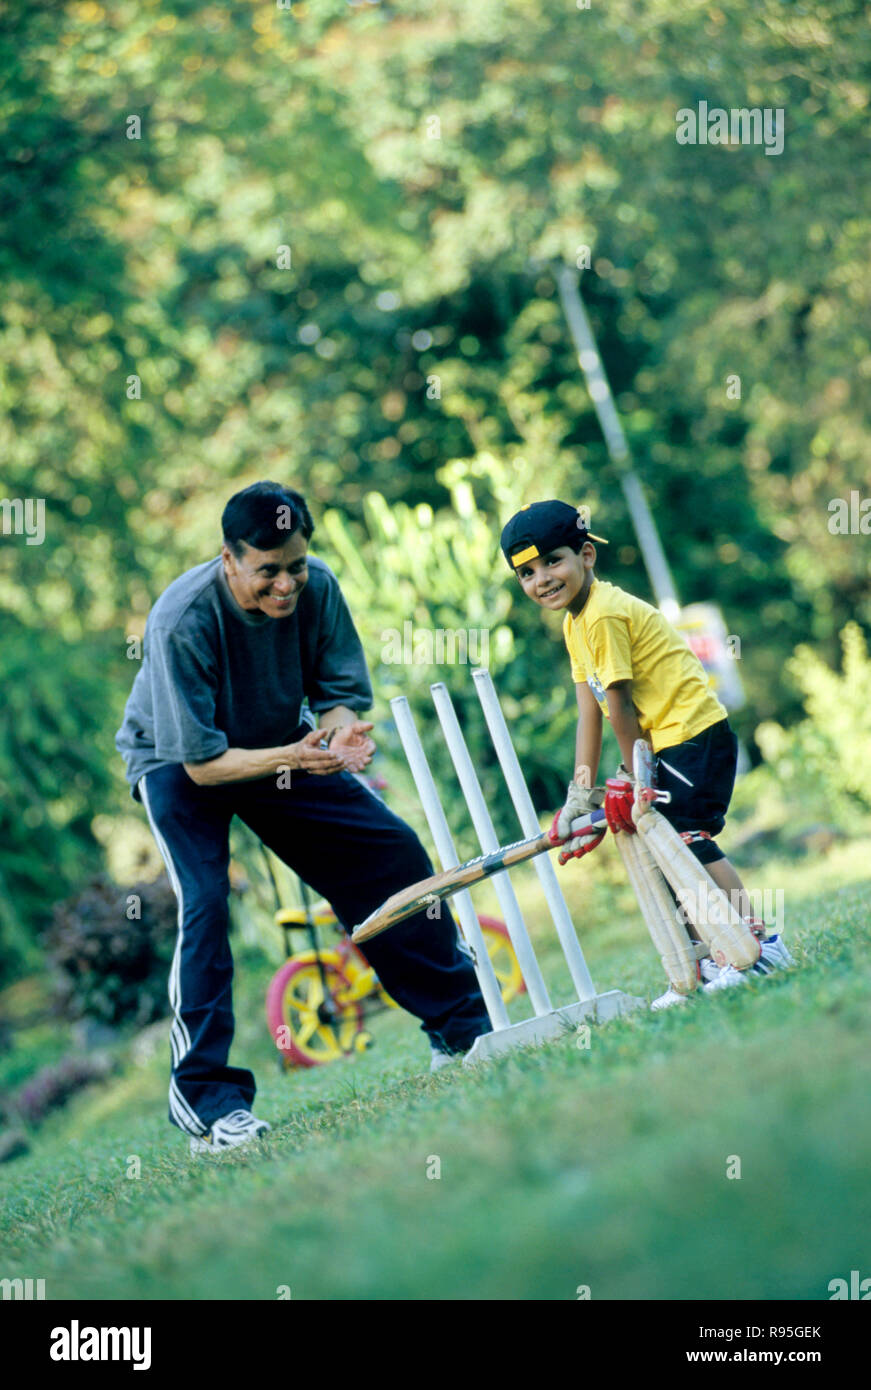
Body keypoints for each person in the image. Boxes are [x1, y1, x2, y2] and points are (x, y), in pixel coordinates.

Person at [116, 481, 490, 1153]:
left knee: (389, 853)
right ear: (229, 559)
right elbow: (203, 766)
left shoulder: (318, 588)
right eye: (268, 570)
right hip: (179, 762)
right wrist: (292, 752)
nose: (286, 584)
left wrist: (339, 737)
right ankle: (209, 1105)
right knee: (204, 905)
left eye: (295, 565)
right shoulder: (182, 619)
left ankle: (462, 1029)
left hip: (278, 746)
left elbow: (339, 694)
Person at [499, 499, 794, 1010]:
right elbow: (588, 708)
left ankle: (762, 944)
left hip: (691, 734)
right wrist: (580, 791)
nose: (541, 579)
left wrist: (635, 773)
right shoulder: (576, 623)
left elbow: (618, 703)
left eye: (553, 561)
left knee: (684, 837)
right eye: (526, 572)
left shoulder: (605, 614)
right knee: (662, 847)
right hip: (665, 741)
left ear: (586, 555)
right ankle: (705, 958)